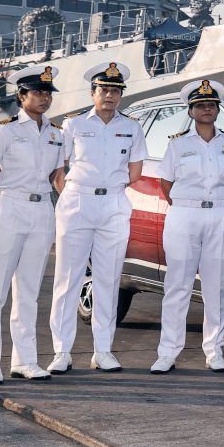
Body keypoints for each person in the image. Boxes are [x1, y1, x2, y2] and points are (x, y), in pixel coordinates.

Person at [47, 61, 144, 374]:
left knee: (108, 279)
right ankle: (61, 351)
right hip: (77, 201)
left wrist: (110, 190)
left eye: (115, 90)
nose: (110, 95)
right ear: (93, 93)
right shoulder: (73, 125)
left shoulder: (132, 127)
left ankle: (103, 351)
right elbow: (57, 169)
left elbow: (135, 171)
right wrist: (73, 195)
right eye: (104, 89)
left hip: (113, 203)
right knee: (67, 278)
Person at [0, 65, 64, 384]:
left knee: (28, 291)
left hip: (41, 211)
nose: (44, 98)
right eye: (37, 92)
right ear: (22, 97)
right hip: (8, 207)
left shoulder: (56, 134)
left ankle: (25, 361)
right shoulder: (5, 131)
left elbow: (57, 177)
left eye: (47, 93)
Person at [151, 79, 224, 374]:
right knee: (177, 285)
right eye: (200, 105)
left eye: (211, 105)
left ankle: (214, 351)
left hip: (220, 215)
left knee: (217, 287)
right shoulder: (178, 144)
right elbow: (166, 182)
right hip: (184, 216)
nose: (206, 109)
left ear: (217, 110)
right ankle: (167, 352)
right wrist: (187, 205)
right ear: (190, 111)